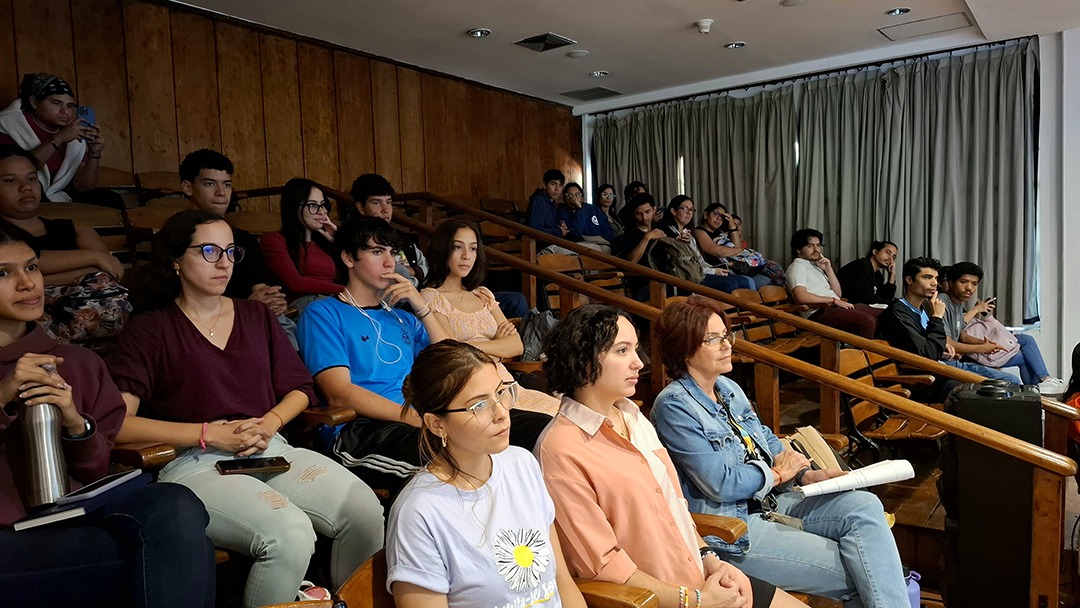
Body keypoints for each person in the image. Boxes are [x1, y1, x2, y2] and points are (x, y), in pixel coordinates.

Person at [108, 210, 384, 608]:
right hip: (196, 461)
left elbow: (300, 389)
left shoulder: (256, 315)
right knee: (288, 532)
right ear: (174, 259)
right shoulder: (151, 328)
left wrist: (272, 421)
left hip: (271, 447)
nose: (223, 262)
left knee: (363, 511)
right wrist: (207, 433)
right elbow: (119, 424)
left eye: (230, 252)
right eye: (208, 251)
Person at [0, 224, 215, 608]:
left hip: (74, 521)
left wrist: (75, 424)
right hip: (10, 538)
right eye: (4, 273)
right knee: (168, 556)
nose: (25, 284)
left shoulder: (79, 362)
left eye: (31, 268)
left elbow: (98, 469)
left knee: (175, 506)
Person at [536, 304, 805, 608]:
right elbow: (603, 566)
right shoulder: (560, 448)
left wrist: (711, 560)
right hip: (659, 598)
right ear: (583, 359)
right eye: (622, 351)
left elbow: (676, 507)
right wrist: (696, 599)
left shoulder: (634, 417)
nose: (639, 363)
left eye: (636, 350)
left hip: (697, 575)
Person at [651, 296, 909, 606]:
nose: (726, 345)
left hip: (774, 500)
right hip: (735, 528)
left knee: (864, 505)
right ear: (684, 348)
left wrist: (805, 474)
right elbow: (720, 483)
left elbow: (765, 439)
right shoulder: (674, 406)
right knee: (864, 571)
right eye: (713, 339)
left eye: (726, 335)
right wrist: (775, 474)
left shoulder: (727, 388)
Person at [296, 217, 551, 495]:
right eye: (377, 252)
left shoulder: (404, 318)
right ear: (348, 258)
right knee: (461, 460)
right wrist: (413, 416)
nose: (389, 262)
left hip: (427, 415)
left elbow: (453, 361)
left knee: (545, 431)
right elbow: (339, 393)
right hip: (363, 428)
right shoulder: (323, 314)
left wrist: (421, 305)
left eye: (392, 253)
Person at [386, 340, 587, 608]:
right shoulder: (420, 512)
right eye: (479, 405)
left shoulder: (522, 464)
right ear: (436, 423)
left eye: (500, 393)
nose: (502, 413)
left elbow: (562, 581)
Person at [420, 219, 560, 415]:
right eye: (457, 247)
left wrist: (469, 347)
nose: (467, 256)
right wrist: (496, 346)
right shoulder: (431, 297)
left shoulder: (483, 294)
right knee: (550, 422)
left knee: (563, 412)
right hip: (474, 392)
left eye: (473, 248)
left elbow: (517, 345)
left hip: (508, 383)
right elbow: (451, 352)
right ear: (442, 249)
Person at [0, 145, 129, 344]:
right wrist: (93, 259)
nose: (25, 187)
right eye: (10, 180)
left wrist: (96, 269)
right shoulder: (3, 237)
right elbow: (99, 268)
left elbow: (112, 272)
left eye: (32, 178)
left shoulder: (76, 229)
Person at [178, 149, 287, 317]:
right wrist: (246, 306)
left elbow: (260, 287)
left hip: (252, 317)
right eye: (209, 183)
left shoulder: (245, 240)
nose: (221, 192)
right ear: (188, 187)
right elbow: (181, 302)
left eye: (227, 185)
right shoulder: (175, 237)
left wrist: (273, 300)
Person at [938, 262, 1063, 392]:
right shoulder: (942, 303)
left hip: (958, 358)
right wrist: (982, 347)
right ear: (950, 283)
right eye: (963, 282)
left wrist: (986, 344)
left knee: (1026, 342)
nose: (969, 288)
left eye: (974, 284)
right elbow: (949, 342)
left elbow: (962, 335)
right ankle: (1038, 388)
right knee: (1015, 373)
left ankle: (1038, 389)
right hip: (949, 363)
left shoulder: (957, 305)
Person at [0, 73, 114, 205]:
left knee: (110, 200)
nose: (65, 111)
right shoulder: (9, 126)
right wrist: (58, 139)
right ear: (34, 102)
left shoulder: (75, 131)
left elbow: (83, 188)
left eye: (70, 106)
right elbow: (20, 171)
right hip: (21, 195)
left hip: (59, 196)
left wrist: (94, 154)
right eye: (56, 103)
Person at [876, 257, 963, 401]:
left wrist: (942, 347)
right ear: (909, 280)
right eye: (927, 277)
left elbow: (928, 346)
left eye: (936, 278)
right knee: (964, 393)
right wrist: (937, 318)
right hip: (915, 381)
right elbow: (927, 356)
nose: (934, 283)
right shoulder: (898, 312)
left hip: (933, 371)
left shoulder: (924, 308)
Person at [259, 177, 343, 308]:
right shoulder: (274, 240)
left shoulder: (325, 241)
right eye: (313, 205)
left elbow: (352, 270)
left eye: (323, 205)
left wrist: (337, 241)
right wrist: (346, 291)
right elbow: (295, 283)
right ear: (294, 207)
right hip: (304, 304)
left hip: (334, 300)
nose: (322, 212)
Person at [785, 229, 876, 340]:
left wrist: (828, 269)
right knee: (867, 321)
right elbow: (801, 296)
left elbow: (837, 293)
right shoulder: (797, 267)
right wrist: (833, 301)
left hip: (834, 306)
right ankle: (861, 355)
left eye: (818, 245)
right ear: (798, 249)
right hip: (818, 312)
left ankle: (885, 354)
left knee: (883, 314)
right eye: (810, 246)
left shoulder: (815, 266)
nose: (816, 249)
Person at [349, 173, 428, 285]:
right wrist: (407, 273)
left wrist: (414, 271)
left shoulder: (402, 237)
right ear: (361, 207)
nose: (385, 209)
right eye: (376, 203)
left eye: (388, 202)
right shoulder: (353, 239)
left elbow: (426, 268)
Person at [659, 195, 747, 292]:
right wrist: (713, 271)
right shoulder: (668, 233)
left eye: (691, 210)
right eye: (684, 209)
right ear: (673, 211)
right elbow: (686, 264)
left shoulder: (689, 234)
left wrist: (713, 270)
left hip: (701, 271)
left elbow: (698, 260)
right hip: (686, 275)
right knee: (730, 283)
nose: (689, 213)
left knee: (743, 281)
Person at [694, 203, 785, 288]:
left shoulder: (719, 233)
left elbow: (737, 246)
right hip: (716, 271)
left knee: (769, 278)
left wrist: (732, 227)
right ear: (706, 215)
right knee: (748, 282)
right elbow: (718, 251)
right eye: (715, 214)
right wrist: (739, 249)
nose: (719, 218)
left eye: (722, 217)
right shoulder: (699, 231)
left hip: (732, 268)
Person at [836, 241, 898, 306]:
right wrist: (890, 303)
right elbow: (868, 299)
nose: (890, 258)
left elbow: (886, 297)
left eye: (893, 257)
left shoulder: (878, 275)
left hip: (861, 307)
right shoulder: (859, 267)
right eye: (887, 252)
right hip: (844, 306)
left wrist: (892, 275)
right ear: (875, 251)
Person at [557, 182, 612, 253]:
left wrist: (602, 239)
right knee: (597, 249)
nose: (573, 198)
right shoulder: (562, 211)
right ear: (564, 197)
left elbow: (607, 229)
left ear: (582, 197)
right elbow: (575, 233)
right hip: (578, 243)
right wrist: (579, 208)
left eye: (577, 194)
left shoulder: (592, 209)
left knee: (606, 248)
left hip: (599, 242)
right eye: (569, 195)